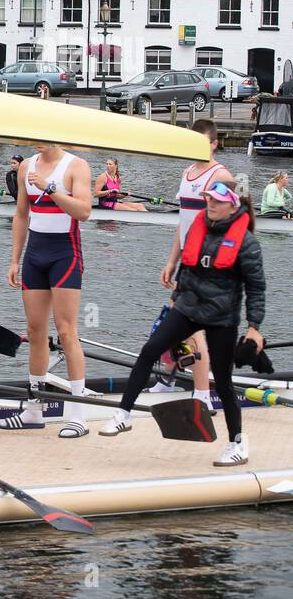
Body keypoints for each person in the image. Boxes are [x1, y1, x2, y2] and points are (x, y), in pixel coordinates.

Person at [102, 182, 264, 466]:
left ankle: (237, 444)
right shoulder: (198, 228)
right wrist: (176, 298)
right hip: (188, 308)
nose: (209, 204)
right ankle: (123, 415)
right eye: (207, 199)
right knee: (149, 350)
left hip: (221, 317)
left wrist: (254, 327)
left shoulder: (246, 243)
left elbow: (257, 287)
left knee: (224, 382)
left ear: (232, 206)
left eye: (215, 201)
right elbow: (187, 269)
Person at [0, 145, 93, 438]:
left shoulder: (77, 165)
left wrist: (51, 187)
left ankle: (79, 414)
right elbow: (20, 215)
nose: (35, 140)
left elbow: (84, 211)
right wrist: (15, 258)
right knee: (35, 330)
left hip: (65, 254)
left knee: (66, 332)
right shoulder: (26, 166)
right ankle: (33, 410)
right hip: (35, 255)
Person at [154, 120, 236, 403]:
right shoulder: (187, 172)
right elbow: (183, 223)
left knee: (194, 327)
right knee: (174, 323)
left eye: (201, 142)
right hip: (187, 260)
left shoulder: (221, 174)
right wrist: (171, 261)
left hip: (208, 262)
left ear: (214, 144)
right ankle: (169, 378)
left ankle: (202, 395)